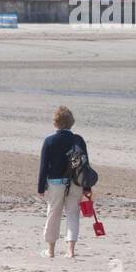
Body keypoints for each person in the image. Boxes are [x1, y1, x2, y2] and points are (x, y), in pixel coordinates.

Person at [37, 105, 90, 259]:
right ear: (71, 123)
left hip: (55, 183)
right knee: (73, 215)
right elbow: (85, 165)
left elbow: (43, 166)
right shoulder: (78, 140)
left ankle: (51, 250)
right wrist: (87, 187)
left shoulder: (49, 141)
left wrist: (41, 187)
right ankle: (71, 251)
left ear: (55, 123)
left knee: (53, 214)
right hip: (76, 183)